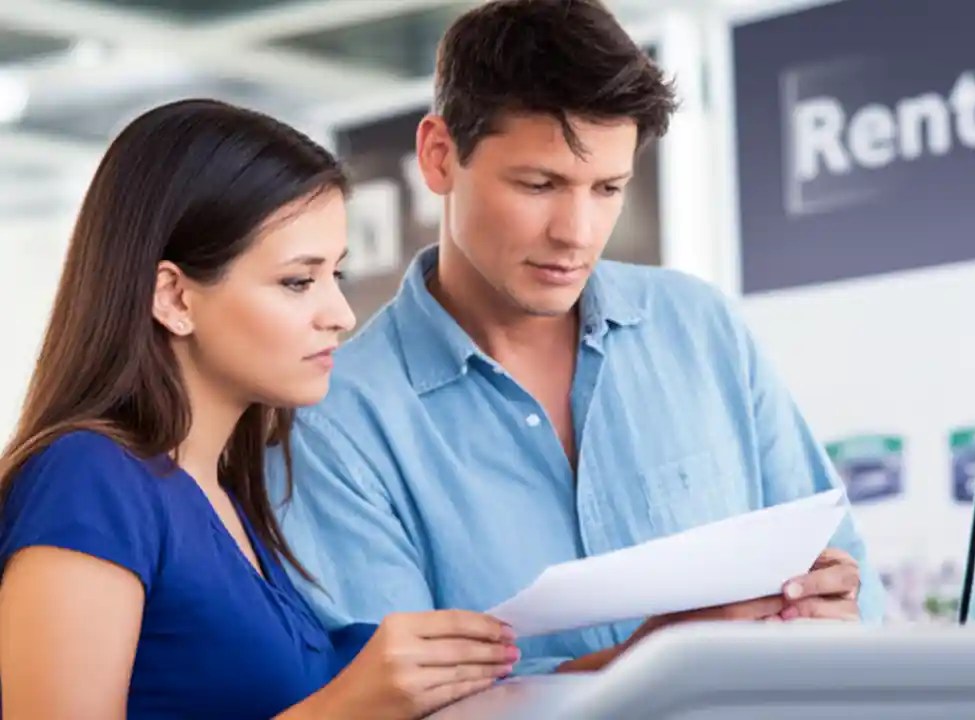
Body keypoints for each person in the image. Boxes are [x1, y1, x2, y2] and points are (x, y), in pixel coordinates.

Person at [269, 0, 887, 676]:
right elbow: (394, 702)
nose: (577, 232)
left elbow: (856, 590)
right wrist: (643, 668)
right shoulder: (333, 422)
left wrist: (836, 610)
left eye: (608, 188)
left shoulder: (701, 330)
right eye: (540, 185)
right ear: (439, 156)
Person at [0, 99, 518, 720]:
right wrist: (346, 708)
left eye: (337, 277)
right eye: (298, 282)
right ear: (174, 297)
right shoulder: (91, 480)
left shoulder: (230, 498)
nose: (340, 315)